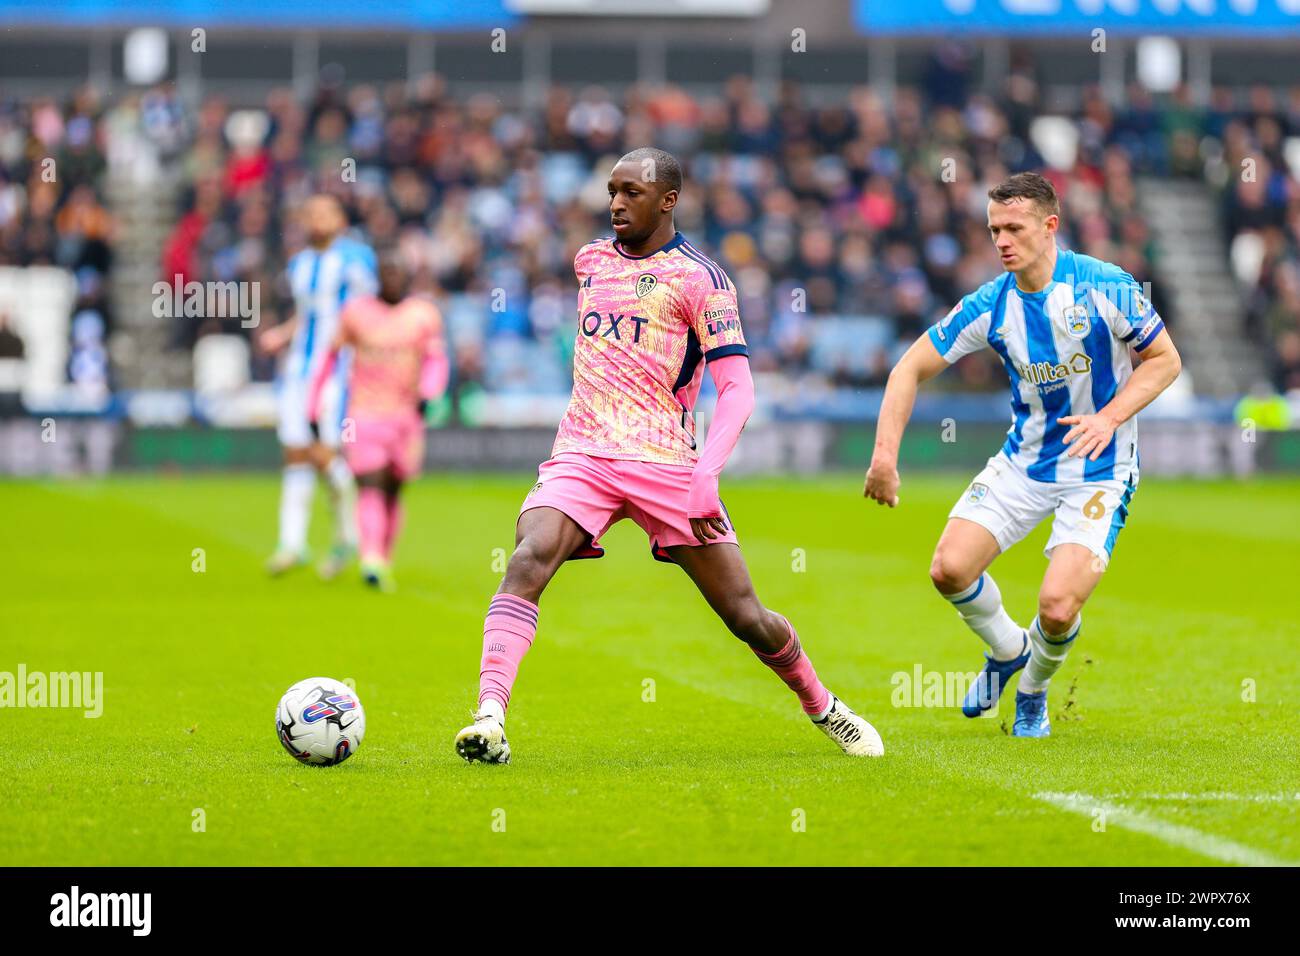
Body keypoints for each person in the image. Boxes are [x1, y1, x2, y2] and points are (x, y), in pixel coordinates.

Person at [455, 147, 884, 764]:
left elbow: (737, 389)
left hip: (667, 464)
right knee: (528, 557)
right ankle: (490, 716)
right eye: (611, 191)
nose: (616, 204)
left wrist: (706, 475)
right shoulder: (590, 262)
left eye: (631, 192)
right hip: (584, 452)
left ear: (668, 200)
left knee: (745, 616)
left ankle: (825, 707)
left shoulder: (702, 280)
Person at [864, 172, 1182, 737]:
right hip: (1025, 463)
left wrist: (1109, 418)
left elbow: (1164, 359)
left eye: (1014, 227)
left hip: (1100, 471)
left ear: (1050, 226)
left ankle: (1032, 693)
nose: (1002, 240)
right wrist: (885, 456)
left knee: (1058, 607)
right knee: (948, 568)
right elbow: (908, 367)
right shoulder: (992, 304)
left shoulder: (1105, 285)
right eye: (994, 230)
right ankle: (1009, 650)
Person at [308, 254, 448, 591]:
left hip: (406, 416)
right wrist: (313, 405)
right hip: (364, 413)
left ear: (407, 276)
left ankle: (382, 557)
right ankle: (370, 557)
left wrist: (429, 394)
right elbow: (329, 357)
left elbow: (436, 361)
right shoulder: (356, 312)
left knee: (393, 489)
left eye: (397, 271)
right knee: (369, 482)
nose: (392, 278)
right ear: (378, 276)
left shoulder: (423, 315)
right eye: (386, 271)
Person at [259, 195, 376, 579]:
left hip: (336, 372)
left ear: (340, 219)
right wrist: (282, 333)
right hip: (297, 369)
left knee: (326, 454)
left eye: (325, 212)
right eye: (310, 212)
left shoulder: (354, 261)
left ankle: (348, 534)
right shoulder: (299, 263)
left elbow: (367, 313)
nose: (316, 219)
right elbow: (308, 315)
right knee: (295, 452)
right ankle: (292, 544)